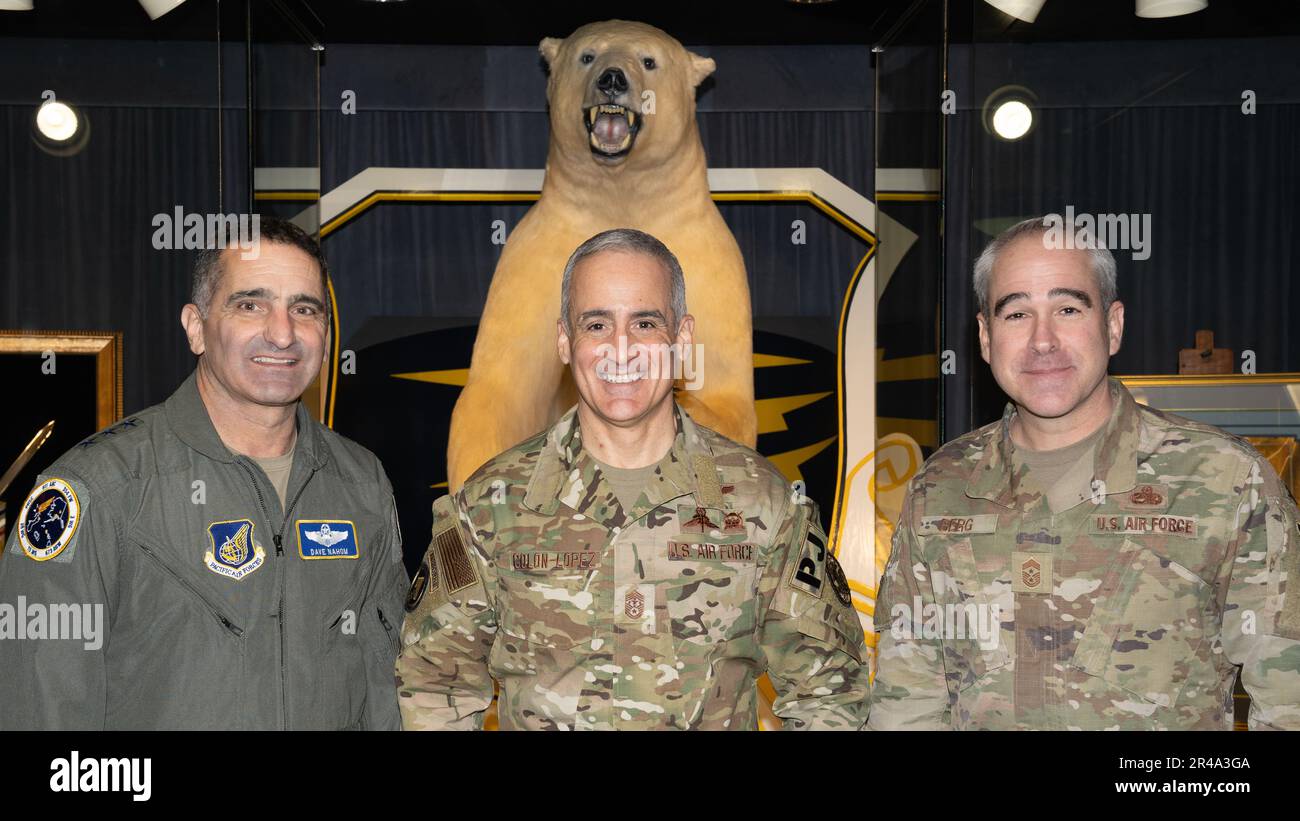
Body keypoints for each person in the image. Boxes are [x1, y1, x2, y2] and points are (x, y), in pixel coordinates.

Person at [396, 228, 867, 730]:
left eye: (645, 322)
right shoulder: (491, 505)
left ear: (682, 338)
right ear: (564, 340)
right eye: (596, 324)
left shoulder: (764, 504)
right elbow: (434, 682)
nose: (621, 349)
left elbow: (829, 688)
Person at [868, 216, 1300, 730]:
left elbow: (1289, 698)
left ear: (1112, 325)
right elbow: (907, 703)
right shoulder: (941, 489)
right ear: (985, 338)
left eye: (1068, 309)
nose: (1042, 340)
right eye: (1016, 314)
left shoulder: (1224, 479)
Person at [0, 217, 408, 729]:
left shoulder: (361, 482)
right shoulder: (99, 488)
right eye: (250, 304)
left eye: (305, 310)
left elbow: (384, 687)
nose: (282, 333)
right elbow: (41, 714)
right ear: (196, 327)